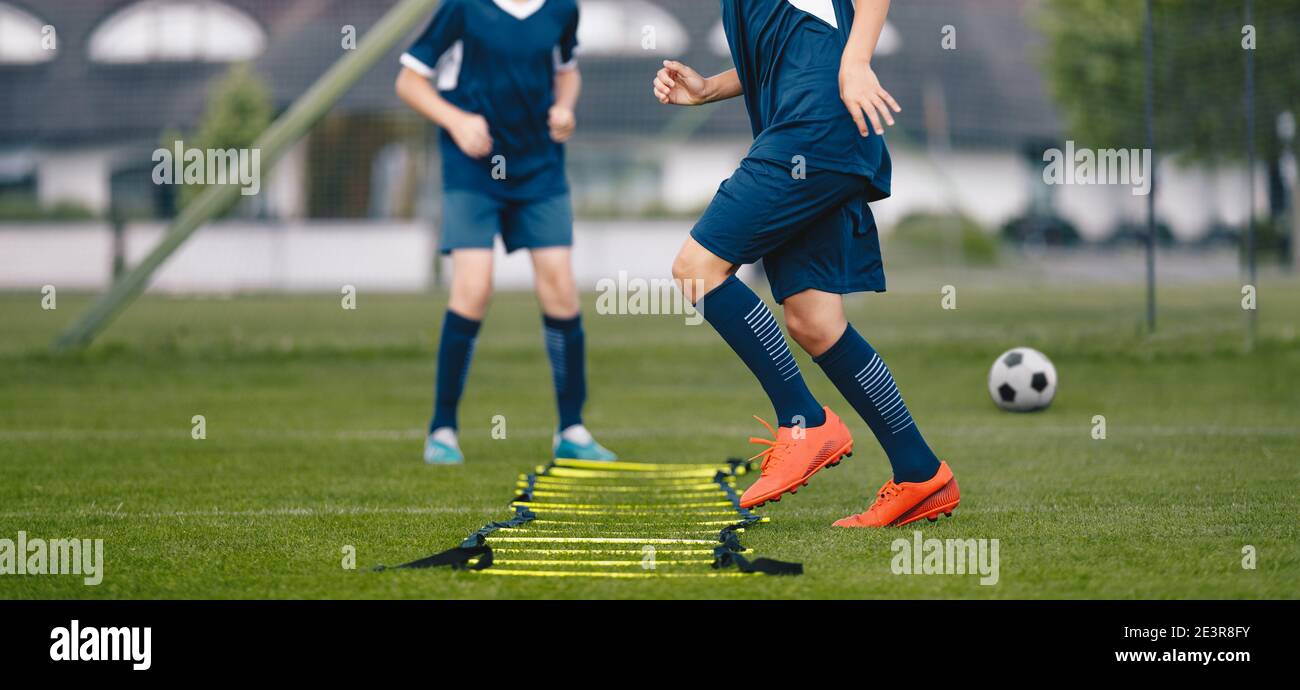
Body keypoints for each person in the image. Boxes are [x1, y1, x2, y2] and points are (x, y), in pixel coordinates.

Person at [653, 0, 959, 526]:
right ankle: (920, 473)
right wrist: (709, 89)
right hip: (810, 132)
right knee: (814, 323)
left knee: (696, 269)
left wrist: (857, 63)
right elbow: (793, 51)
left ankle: (803, 421)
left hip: (815, 129)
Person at [396, 0, 616, 464]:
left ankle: (572, 430)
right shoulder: (462, 7)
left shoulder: (561, 9)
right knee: (473, 290)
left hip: (540, 167)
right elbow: (410, 80)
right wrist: (457, 121)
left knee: (560, 288)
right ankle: (442, 430)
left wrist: (564, 108)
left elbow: (568, 70)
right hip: (472, 169)